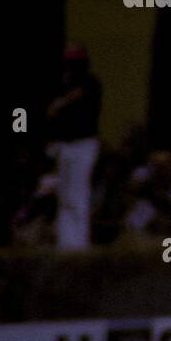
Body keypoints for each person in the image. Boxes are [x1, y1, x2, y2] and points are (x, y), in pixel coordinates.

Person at [47, 43, 102, 250]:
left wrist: (58, 105)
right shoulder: (63, 85)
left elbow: (73, 100)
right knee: (64, 195)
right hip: (66, 146)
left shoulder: (91, 83)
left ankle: (78, 243)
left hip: (84, 145)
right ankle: (66, 242)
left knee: (78, 193)